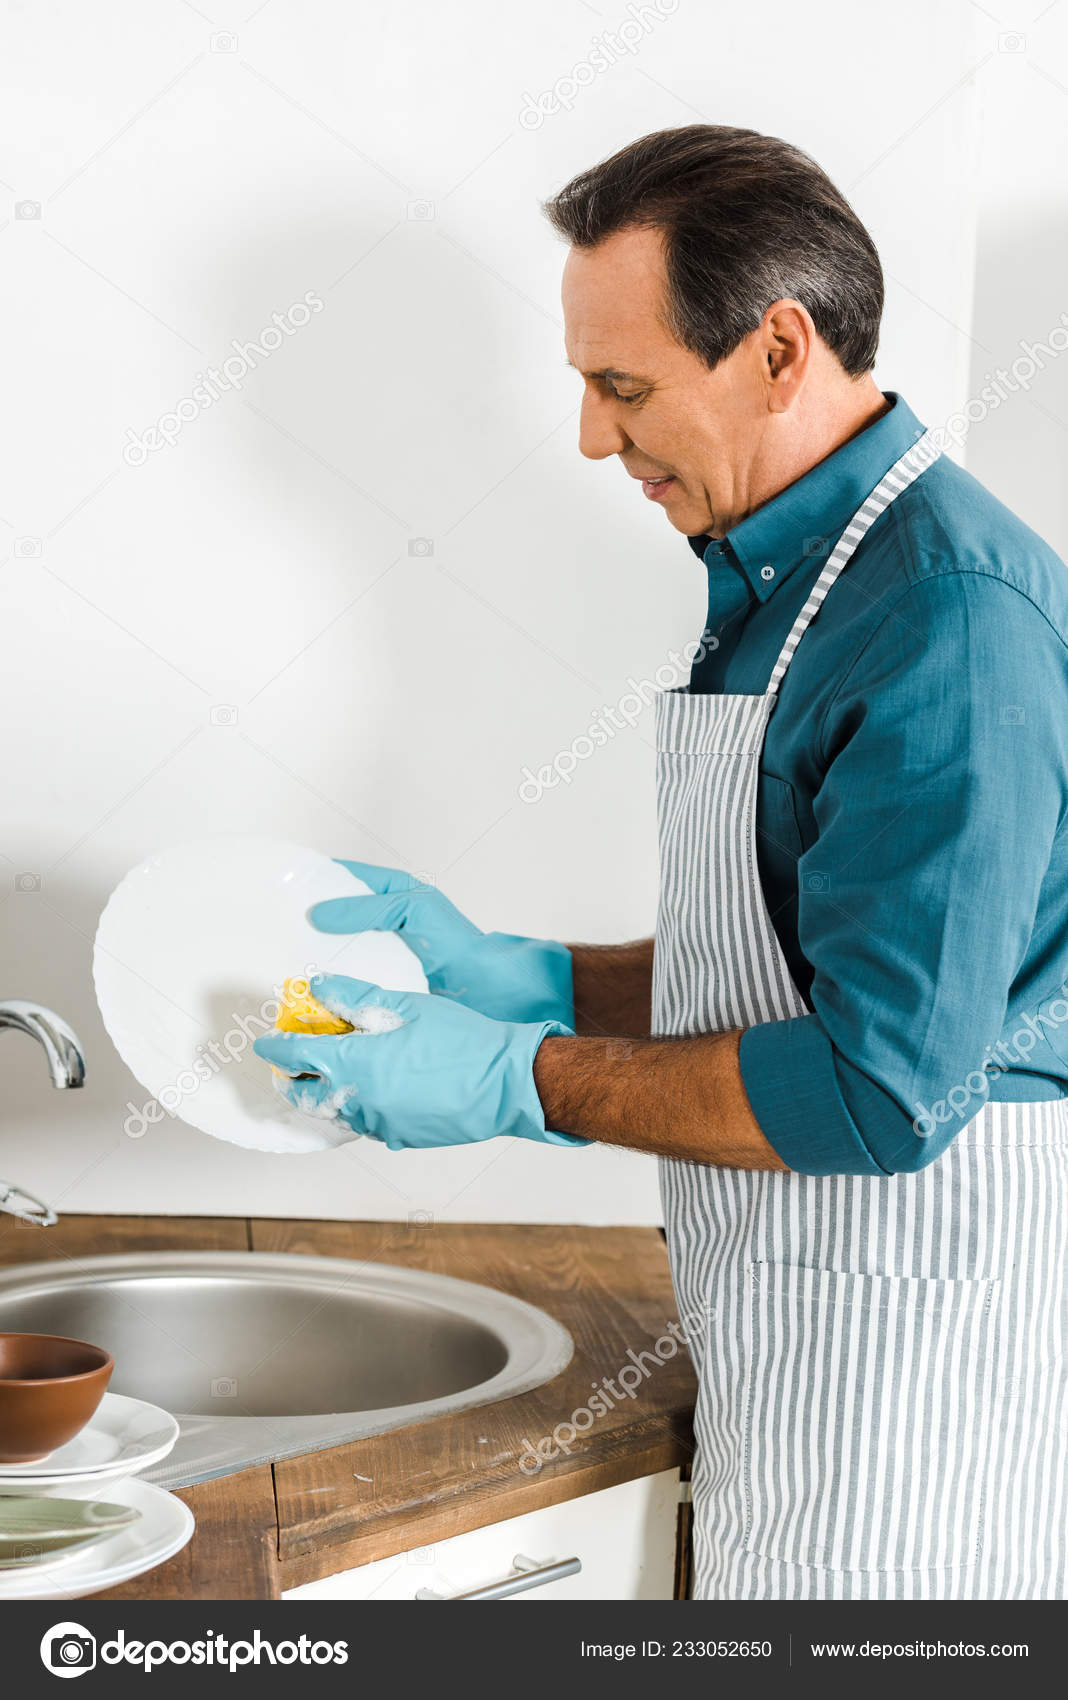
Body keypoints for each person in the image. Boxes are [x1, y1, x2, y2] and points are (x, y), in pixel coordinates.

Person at [256, 126, 1068, 1600]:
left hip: (918, 1387)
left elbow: (881, 1088)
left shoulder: (945, 619)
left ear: (775, 350)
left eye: (621, 387)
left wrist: (526, 1075)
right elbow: (805, 950)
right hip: (804, 1333)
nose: (588, 437)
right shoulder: (788, 575)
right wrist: (538, 980)